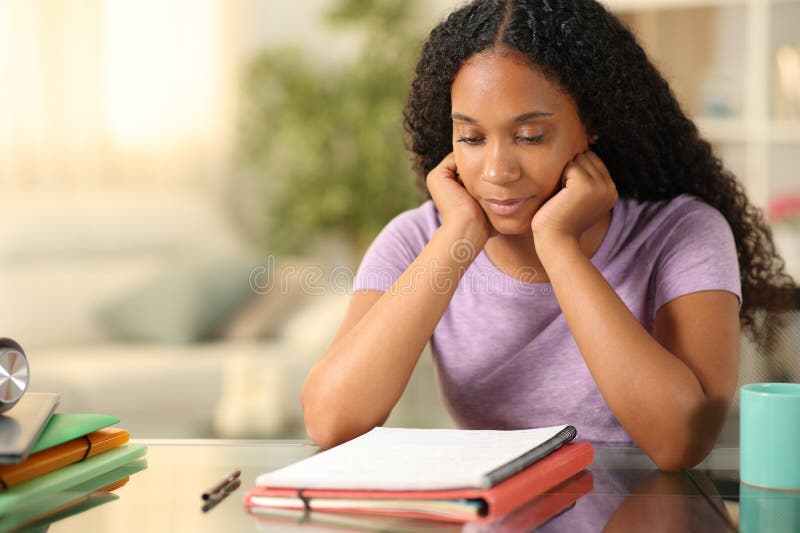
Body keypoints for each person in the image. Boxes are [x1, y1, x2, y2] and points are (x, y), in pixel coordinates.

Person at [300, 0, 795, 470]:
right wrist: (459, 237)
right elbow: (332, 421)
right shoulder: (419, 241)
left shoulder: (682, 234)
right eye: (471, 138)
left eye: (530, 136)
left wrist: (558, 246)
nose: (496, 170)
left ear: (592, 124)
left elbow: (680, 442)